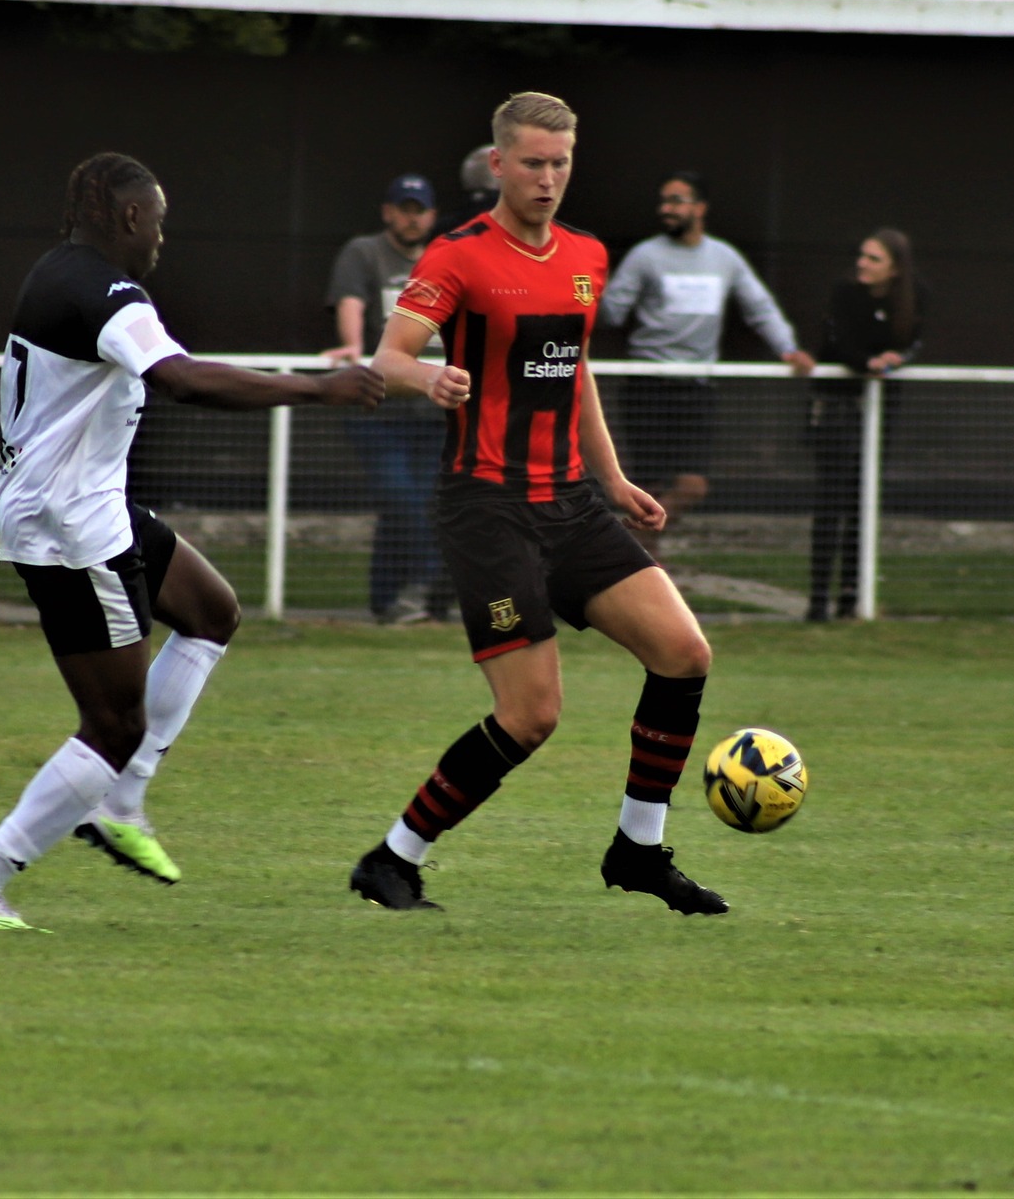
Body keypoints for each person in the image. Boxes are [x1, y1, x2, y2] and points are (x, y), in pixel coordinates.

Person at [0, 153, 385, 930]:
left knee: (212, 611)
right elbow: (184, 379)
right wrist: (318, 388)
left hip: (86, 502)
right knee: (113, 723)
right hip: (68, 523)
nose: (163, 238)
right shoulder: (103, 291)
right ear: (131, 217)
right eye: (160, 222)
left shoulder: (61, 270)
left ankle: (121, 802)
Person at [349, 92, 727, 917]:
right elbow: (389, 356)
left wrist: (617, 480)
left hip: (572, 502)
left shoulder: (587, 254)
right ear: (498, 164)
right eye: (532, 163)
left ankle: (638, 850)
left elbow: (576, 373)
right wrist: (429, 376)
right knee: (531, 715)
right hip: (487, 506)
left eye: (560, 164)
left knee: (683, 654)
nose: (548, 178)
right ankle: (391, 858)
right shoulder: (457, 256)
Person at [598, 172, 815, 551]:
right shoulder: (645, 255)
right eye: (663, 201)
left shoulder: (723, 257)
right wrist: (591, 289)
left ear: (699, 208)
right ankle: (646, 569)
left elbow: (759, 307)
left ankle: (627, 544)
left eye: (677, 200)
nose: (666, 209)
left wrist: (787, 347)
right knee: (647, 488)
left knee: (692, 486)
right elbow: (612, 313)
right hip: (648, 384)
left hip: (697, 388)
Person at [322, 173, 448, 623]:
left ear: (431, 216)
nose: (412, 219)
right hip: (378, 403)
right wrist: (354, 349)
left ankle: (389, 604)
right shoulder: (364, 252)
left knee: (421, 503)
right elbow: (351, 303)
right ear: (388, 212)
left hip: (433, 407)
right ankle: (434, 578)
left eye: (420, 211)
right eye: (405, 209)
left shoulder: (443, 257)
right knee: (401, 498)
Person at [807, 228, 926, 622]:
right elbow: (837, 342)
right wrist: (866, 363)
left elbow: (915, 342)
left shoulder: (912, 298)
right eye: (862, 255)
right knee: (831, 502)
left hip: (878, 414)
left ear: (894, 269)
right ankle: (818, 599)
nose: (862, 263)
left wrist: (896, 357)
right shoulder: (846, 293)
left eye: (874, 258)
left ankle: (851, 596)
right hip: (837, 410)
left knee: (863, 503)